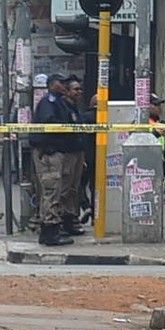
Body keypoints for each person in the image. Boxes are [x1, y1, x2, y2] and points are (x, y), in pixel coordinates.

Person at [25, 73, 74, 246]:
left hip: (54, 152)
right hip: (48, 153)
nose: (64, 86)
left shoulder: (59, 102)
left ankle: (49, 231)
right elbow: (50, 124)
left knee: (55, 190)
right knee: (51, 191)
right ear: (52, 84)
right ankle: (50, 230)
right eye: (61, 83)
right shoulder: (49, 103)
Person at [63, 76, 93, 230]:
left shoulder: (77, 110)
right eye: (75, 89)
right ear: (67, 91)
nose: (79, 92)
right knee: (68, 188)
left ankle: (73, 218)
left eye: (80, 89)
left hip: (79, 154)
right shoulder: (64, 108)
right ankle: (67, 220)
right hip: (67, 154)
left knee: (75, 188)